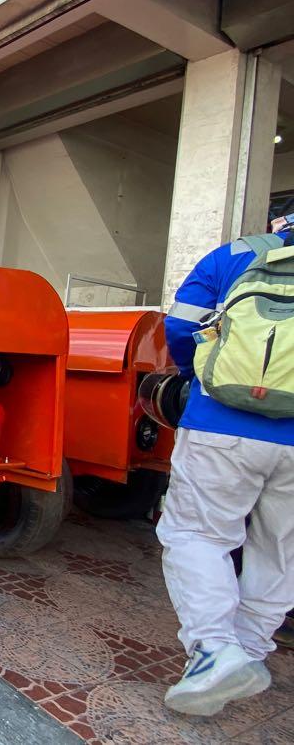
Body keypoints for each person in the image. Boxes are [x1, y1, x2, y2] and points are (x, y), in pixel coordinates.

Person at [157, 212, 294, 717]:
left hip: (221, 424)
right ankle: (248, 655)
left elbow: (179, 325)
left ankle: (215, 650)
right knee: (281, 551)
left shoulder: (236, 255)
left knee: (197, 535)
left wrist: (196, 376)